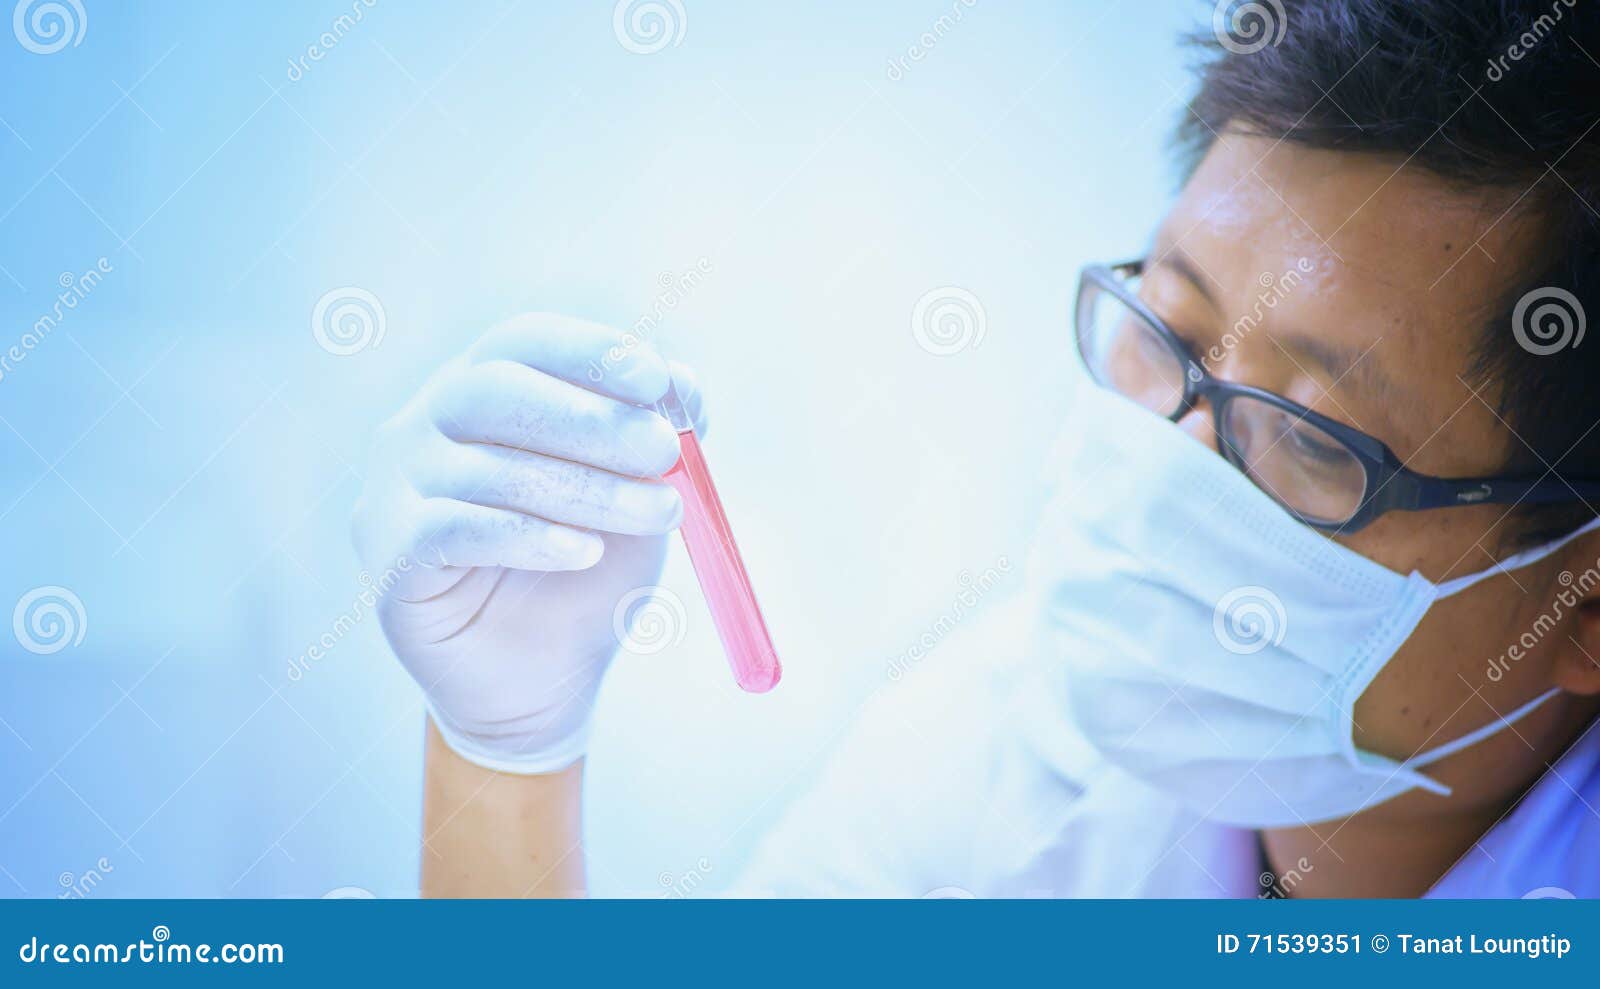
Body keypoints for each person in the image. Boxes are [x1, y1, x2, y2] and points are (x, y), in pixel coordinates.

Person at [351, 0, 1600, 898]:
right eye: (1166, 328)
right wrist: (507, 755)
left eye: (1306, 435)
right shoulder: (1016, 752)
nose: (1161, 470)